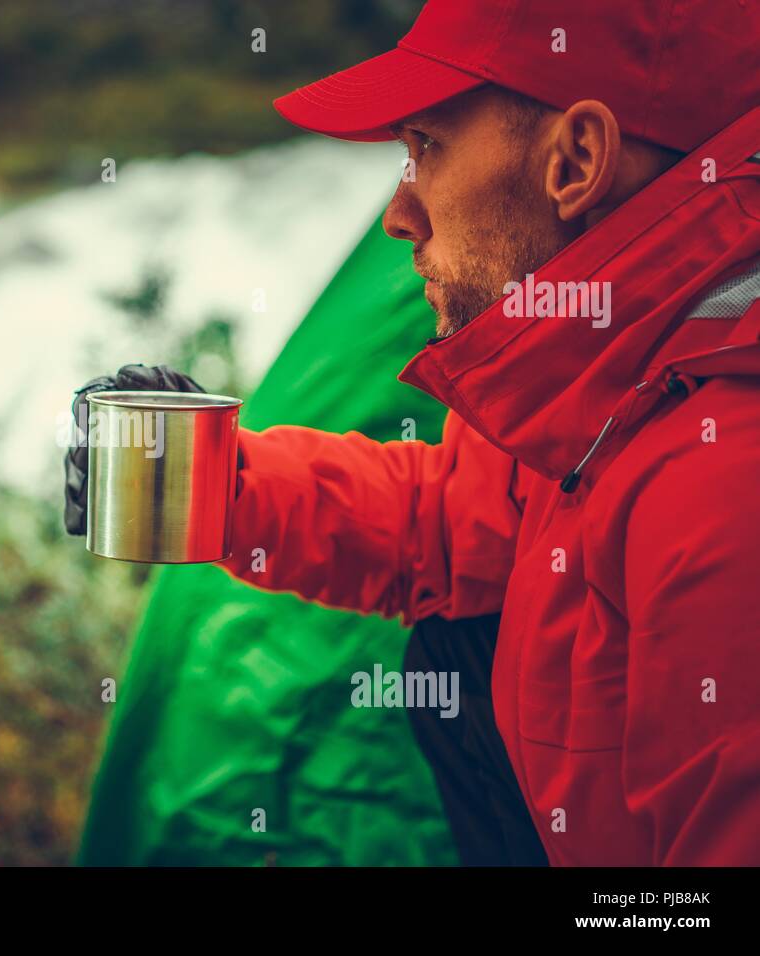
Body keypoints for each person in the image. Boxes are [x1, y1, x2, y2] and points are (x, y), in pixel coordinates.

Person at [64, 0, 760, 866]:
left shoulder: (722, 481)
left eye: (425, 146)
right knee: (458, 642)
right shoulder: (602, 377)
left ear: (576, 161)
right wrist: (218, 483)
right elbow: (453, 527)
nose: (400, 211)